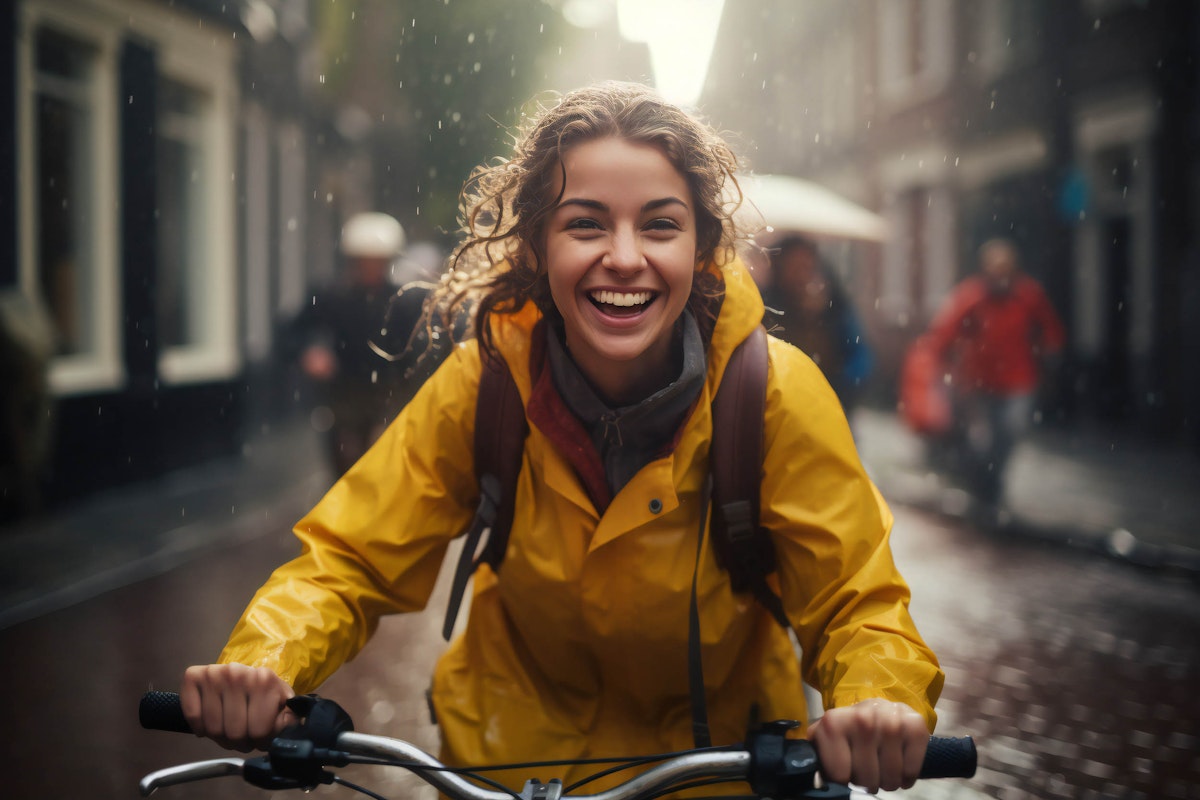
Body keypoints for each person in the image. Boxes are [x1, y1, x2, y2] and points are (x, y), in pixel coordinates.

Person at [181, 82, 944, 795]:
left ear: (702, 248)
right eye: (585, 223)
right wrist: (260, 665)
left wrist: (879, 701)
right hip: (507, 766)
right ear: (537, 247)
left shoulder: (772, 391)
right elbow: (348, 561)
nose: (623, 255)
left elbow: (855, 601)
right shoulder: (486, 383)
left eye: (659, 225)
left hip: (718, 773)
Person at [282, 212, 432, 477]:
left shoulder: (405, 300)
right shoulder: (331, 296)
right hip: (344, 394)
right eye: (365, 261)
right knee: (346, 461)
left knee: (385, 463)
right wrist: (310, 352)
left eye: (378, 261)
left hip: (390, 393)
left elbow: (422, 346)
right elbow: (294, 333)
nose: (371, 267)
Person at [924, 237, 1066, 511]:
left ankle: (992, 482)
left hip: (1019, 380)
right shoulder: (972, 297)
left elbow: (1050, 328)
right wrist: (941, 359)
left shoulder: (1028, 295)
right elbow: (946, 330)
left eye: (1005, 266)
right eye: (994, 267)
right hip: (980, 382)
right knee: (982, 440)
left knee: (1011, 432)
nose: (999, 273)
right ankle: (984, 486)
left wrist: (1050, 349)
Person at [759, 234, 873, 412]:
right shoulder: (765, 307)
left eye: (806, 265)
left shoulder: (835, 306)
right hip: (782, 407)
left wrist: (841, 390)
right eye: (794, 267)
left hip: (831, 404)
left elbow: (859, 357)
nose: (801, 274)